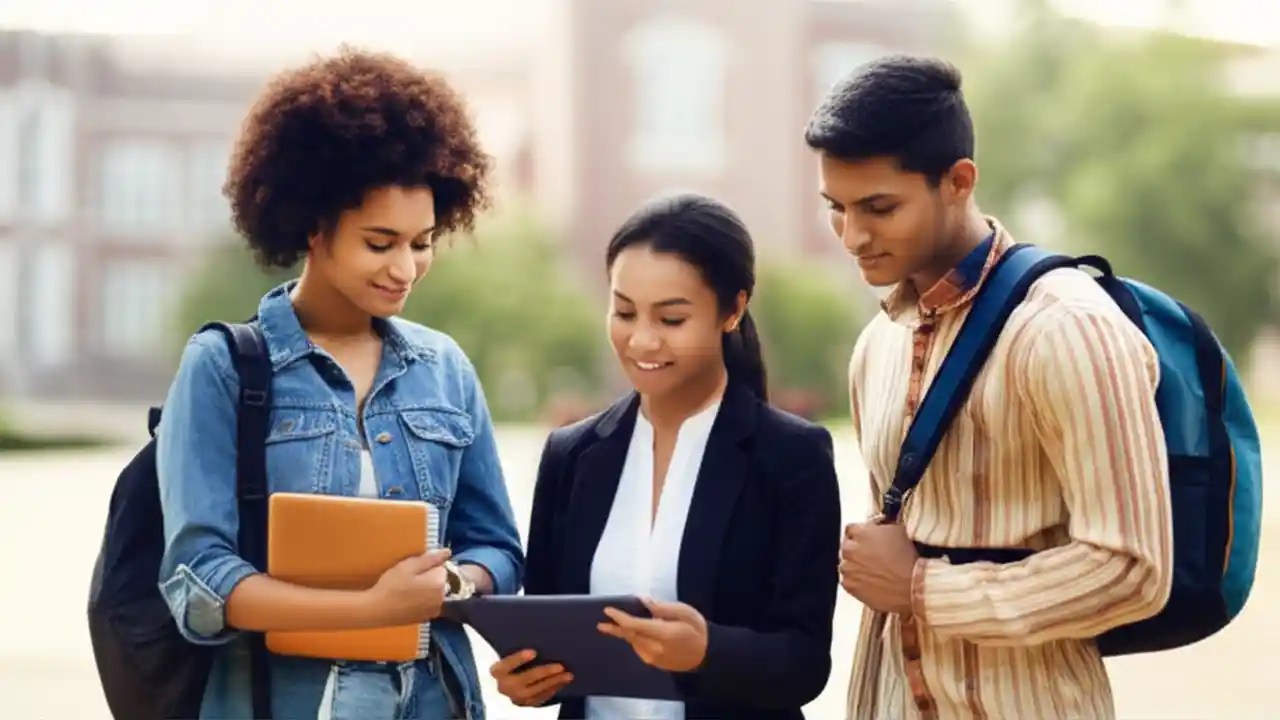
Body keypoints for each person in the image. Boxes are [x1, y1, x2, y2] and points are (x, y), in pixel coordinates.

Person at [156, 48, 524, 720]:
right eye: (380, 243)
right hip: (281, 701)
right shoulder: (222, 366)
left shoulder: (445, 369)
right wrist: (369, 610)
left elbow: (496, 547)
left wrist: (453, 582)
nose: (406, 268)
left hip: (433, 700)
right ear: (313, 227)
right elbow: (198, 582)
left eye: (423, 241)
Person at [805, 55, 1173, 719]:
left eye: (879, 208)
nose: (853, 236)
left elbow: (1133, 569)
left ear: (958, 181)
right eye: (836, 208)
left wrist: (922, 588)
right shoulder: (876, 345)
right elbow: (887, 593)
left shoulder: (1066, 328)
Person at [489, 193, 842, 719]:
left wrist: (707, 652)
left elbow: (805, 661)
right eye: (624, 312)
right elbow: (550, 633)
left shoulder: (791, 456)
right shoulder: (572, 455)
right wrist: (529, 680)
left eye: (672, 319)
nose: (642, 341)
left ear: (733, 310)